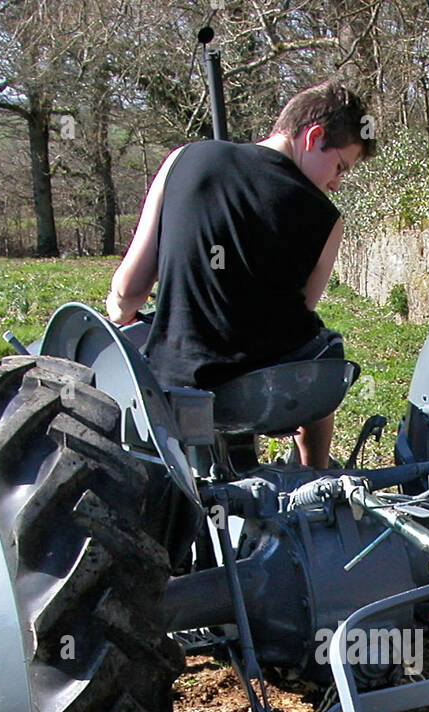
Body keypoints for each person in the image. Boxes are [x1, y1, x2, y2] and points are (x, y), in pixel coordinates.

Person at [106, 80, 376, 469]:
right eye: (339, 167)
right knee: (324, 348)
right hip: (261, 391)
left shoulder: (182, 160)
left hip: (176, 376)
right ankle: (314, 474)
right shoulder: (326, 218)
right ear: (313, 137)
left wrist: (120, 309)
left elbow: (130, 287)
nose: (335, 183)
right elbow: (303, 306)